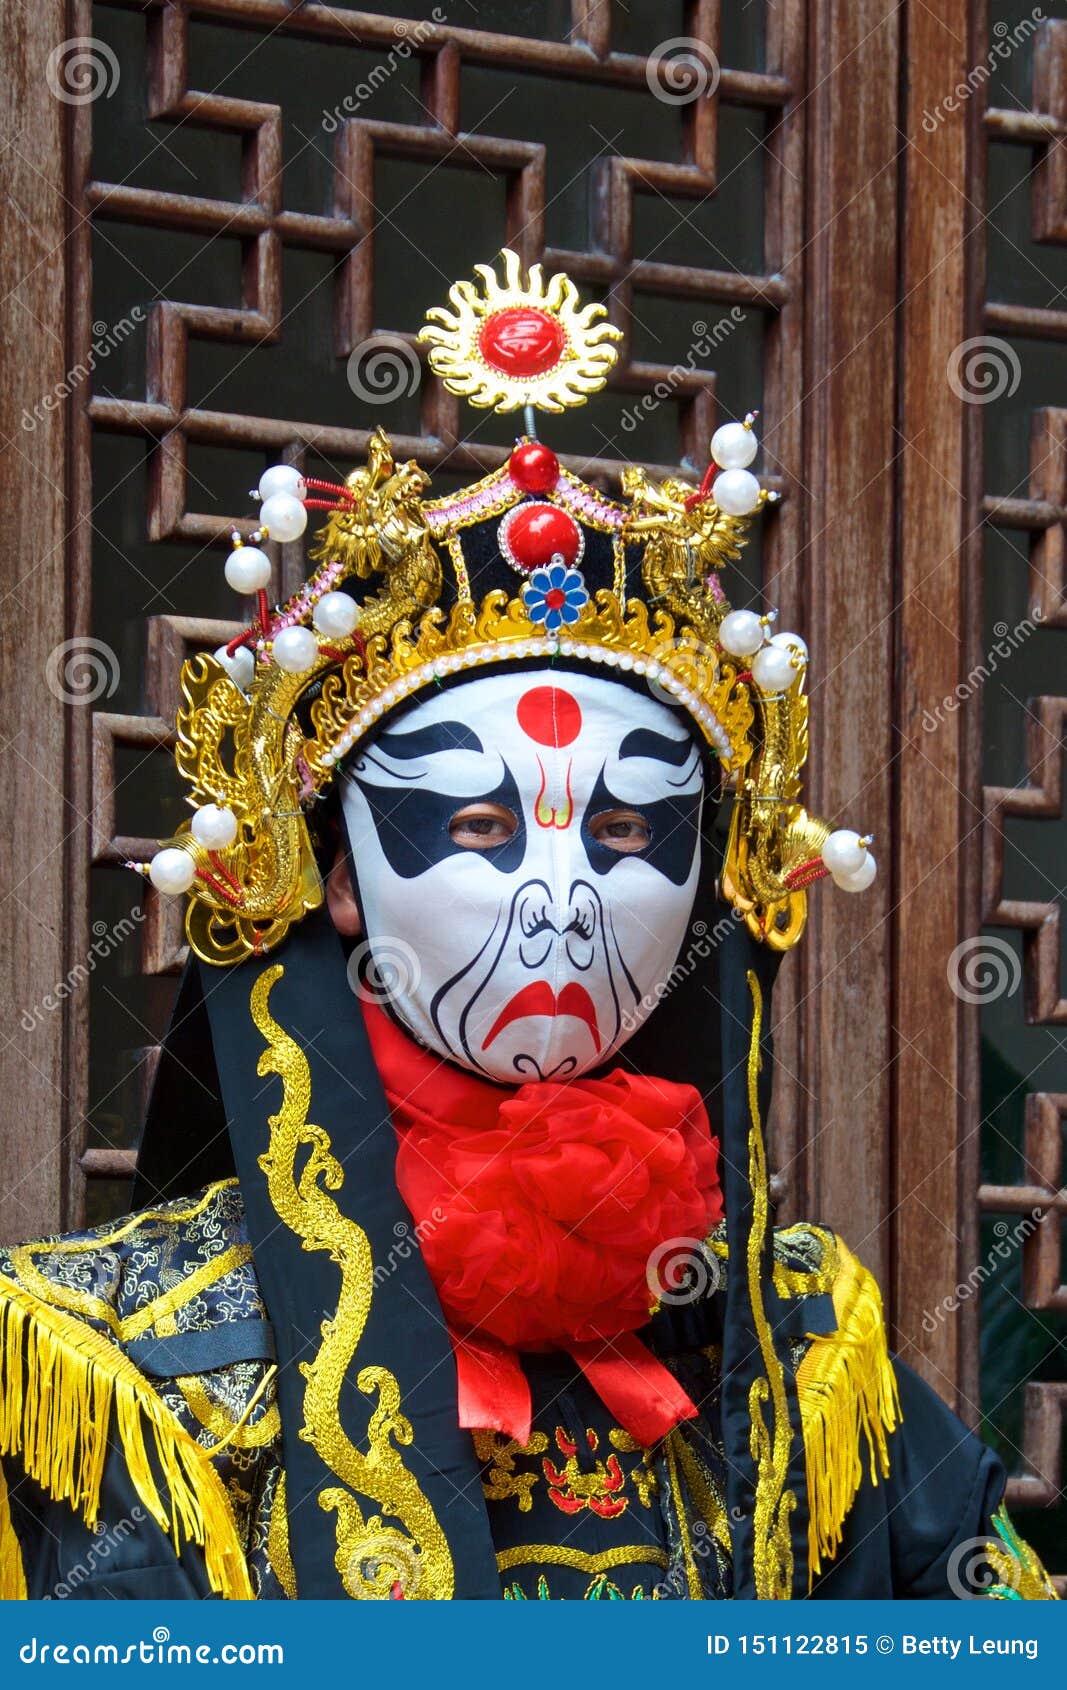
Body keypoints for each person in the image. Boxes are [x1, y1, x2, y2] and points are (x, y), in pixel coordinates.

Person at [0, 253, 1055, 1602]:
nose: (562, 897)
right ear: (335, 879)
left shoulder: (805, 1343)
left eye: (624, 835)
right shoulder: (115, 1356)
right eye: (482, 829)